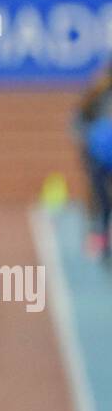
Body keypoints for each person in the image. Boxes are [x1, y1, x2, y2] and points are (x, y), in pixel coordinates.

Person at [74, 61, 112, 262]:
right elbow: (80, 119)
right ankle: (99, 236)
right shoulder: (97, 92)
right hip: (99, 156)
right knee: (101, 199)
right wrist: (88, 143)